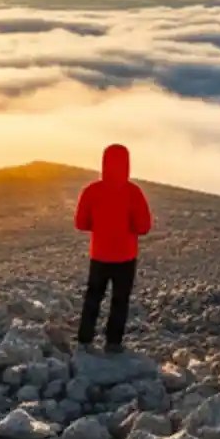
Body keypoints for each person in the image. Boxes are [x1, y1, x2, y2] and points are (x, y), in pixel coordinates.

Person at [74, 144, 153, 354]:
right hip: (125, 257)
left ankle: (84, 339)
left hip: (99, 255)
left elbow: (80, 223)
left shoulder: (92, 190)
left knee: (93, 297)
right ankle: (113, 343)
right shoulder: (133, 192)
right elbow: (144, 227)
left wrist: (100, 227)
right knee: (119, 301)